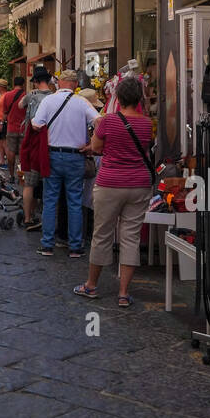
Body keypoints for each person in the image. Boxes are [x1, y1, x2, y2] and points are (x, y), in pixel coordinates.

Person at [74, 74, 155, 307]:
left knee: (102, 235)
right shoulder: (147, 123)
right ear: (139, 98)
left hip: (110, 182)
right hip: (138, 184)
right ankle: (123, 293)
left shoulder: (108, 121)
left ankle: (91, 285)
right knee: (131, 238)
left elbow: (97, 148)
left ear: (117, 97)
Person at [32, 70, 99, 258]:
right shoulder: (82, 102)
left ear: (59, 83)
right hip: (75, 157)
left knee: (50, 201)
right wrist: (92, 145)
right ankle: (75, 247)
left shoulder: (48, 101)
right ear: (75, 84)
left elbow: (37, 124)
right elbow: (99, 121)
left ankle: (47, 245)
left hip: (52, 155)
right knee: (75, 202)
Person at [18, 65, 54, 232]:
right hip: (49, 144)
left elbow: (19, 106)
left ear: (37, 82)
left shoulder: (31, 96)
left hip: (32, 143)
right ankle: (47, 218)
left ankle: (27, 217)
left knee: (29, 184)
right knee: (48, 184)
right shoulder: (55, 98)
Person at [3, 77, 26, 179]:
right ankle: (22, 176)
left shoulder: (7, 95)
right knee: (22, 153)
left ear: (13, 83)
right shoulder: (26, 96)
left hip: (11, 127)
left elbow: (4, 113)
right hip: (23, 128)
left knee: (11, 152)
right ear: (23, 84)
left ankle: (11, 175)